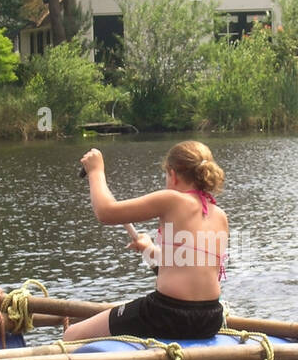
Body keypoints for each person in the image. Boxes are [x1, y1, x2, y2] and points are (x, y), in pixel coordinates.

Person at [66, 141, 229, 341]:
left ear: (173, 174)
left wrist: (95, 171)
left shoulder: (172, 199)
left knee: (72, 335)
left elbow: (106, 212)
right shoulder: (220, 215)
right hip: (210, 318)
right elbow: (189, 270)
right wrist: (148, 249)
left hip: (166, 314)